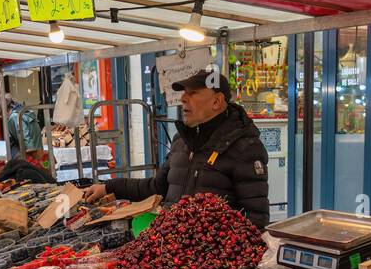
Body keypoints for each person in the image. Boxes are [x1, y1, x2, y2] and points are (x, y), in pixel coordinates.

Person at [83, 70, 270, 227]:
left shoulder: (245, 147)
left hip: (213, 259)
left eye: (193, 93)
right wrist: (108, 186)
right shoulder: (181, 141)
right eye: (184, 93)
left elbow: (255, 218)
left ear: (217, 102)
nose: (183, 99)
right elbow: (156, 187)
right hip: (173, 251)